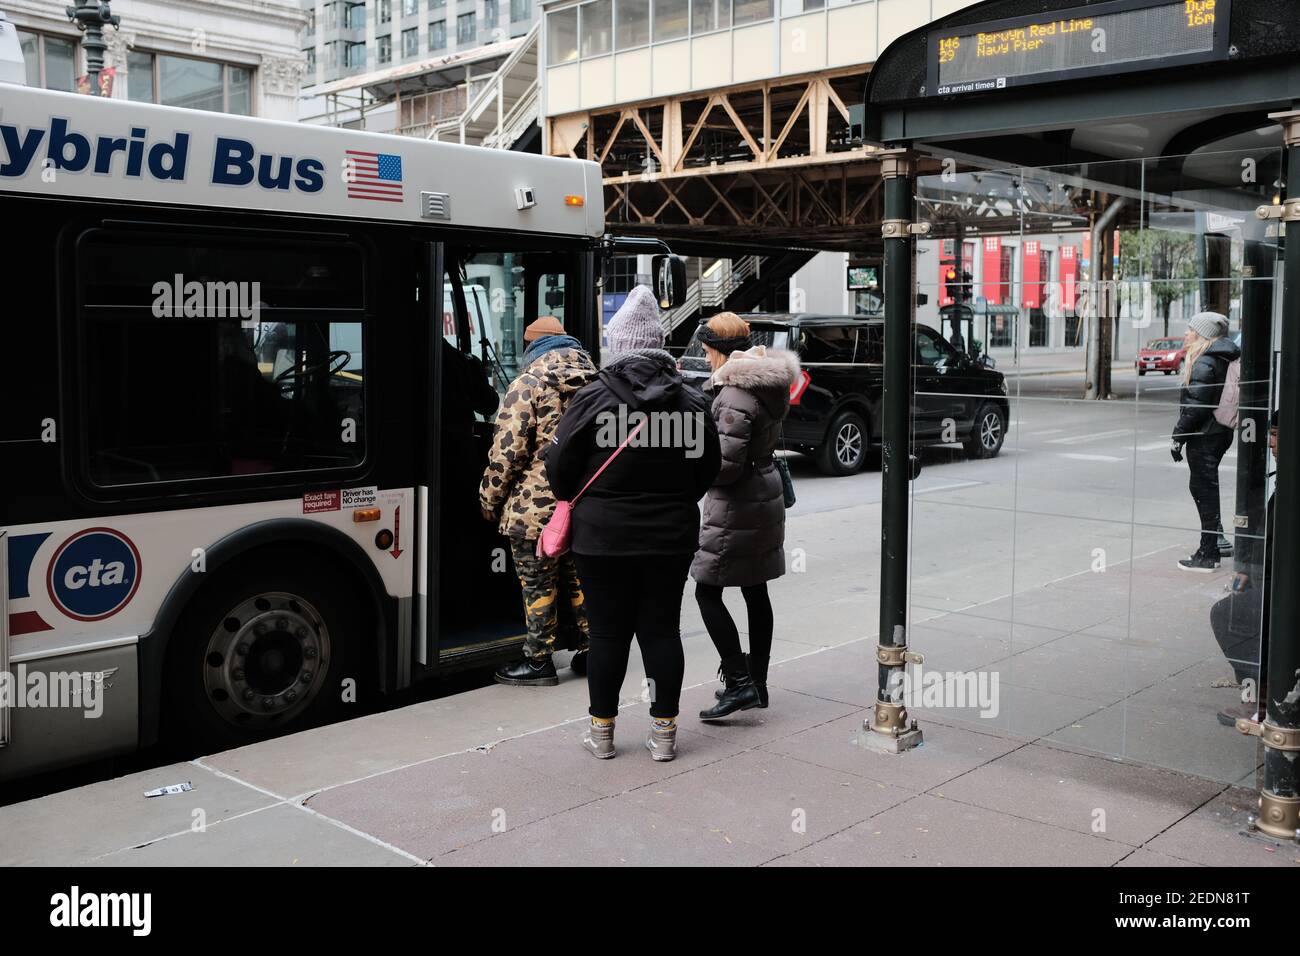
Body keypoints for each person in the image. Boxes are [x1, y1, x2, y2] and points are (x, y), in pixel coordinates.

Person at [546, 286, 720, 761]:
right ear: (659, 345)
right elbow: (708, 470)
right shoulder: (691, 401)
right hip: (670, 536)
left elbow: (558, 467)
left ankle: (602, 734)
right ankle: (664, 734)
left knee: (606, 633)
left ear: (618, 346)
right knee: (662, 631)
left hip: (601, 537)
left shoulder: (593, 397)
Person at [688, 313, 800, 719]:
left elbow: (727, 465)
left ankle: (739, 682)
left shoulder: (734, 394)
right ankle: (759, 684)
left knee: (706, 590)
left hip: (737, 502)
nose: (705, 358)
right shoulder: (766, 381)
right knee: (755, 590)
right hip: (763, 492)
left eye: (705, 350)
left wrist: (692, 467)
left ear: (718, 349)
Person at [481, 317, 597, 686]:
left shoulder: (528, 384)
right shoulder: (598, 383)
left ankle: (538, 662)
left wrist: (488, 499)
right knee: (580, 580)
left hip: (534, 507)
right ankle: (593, 651)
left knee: (538, 583)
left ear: (532, 346)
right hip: (586, 502)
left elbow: (507, 454)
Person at [1211, 411, 1278, 726]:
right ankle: (1260, 697)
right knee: (1235, 611)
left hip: (1283, 586)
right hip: (1273, 578)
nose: (1272, 442)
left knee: (1230, 615)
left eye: (1278, 434)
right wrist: (1249, 570)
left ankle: (1261, 703)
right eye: (1270, 433)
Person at [1171, 311, 1239, 572]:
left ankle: (1207, 554)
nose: (1186, 334)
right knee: (1206, 488)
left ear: (1202, 335)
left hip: (1205, 434)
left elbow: (1197, 406)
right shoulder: (1224, 355)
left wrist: (1178, 437)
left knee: (1203, 489)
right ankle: (1209, 548)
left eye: (1190, 330)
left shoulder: (1205, 361)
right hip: (1220, 432)